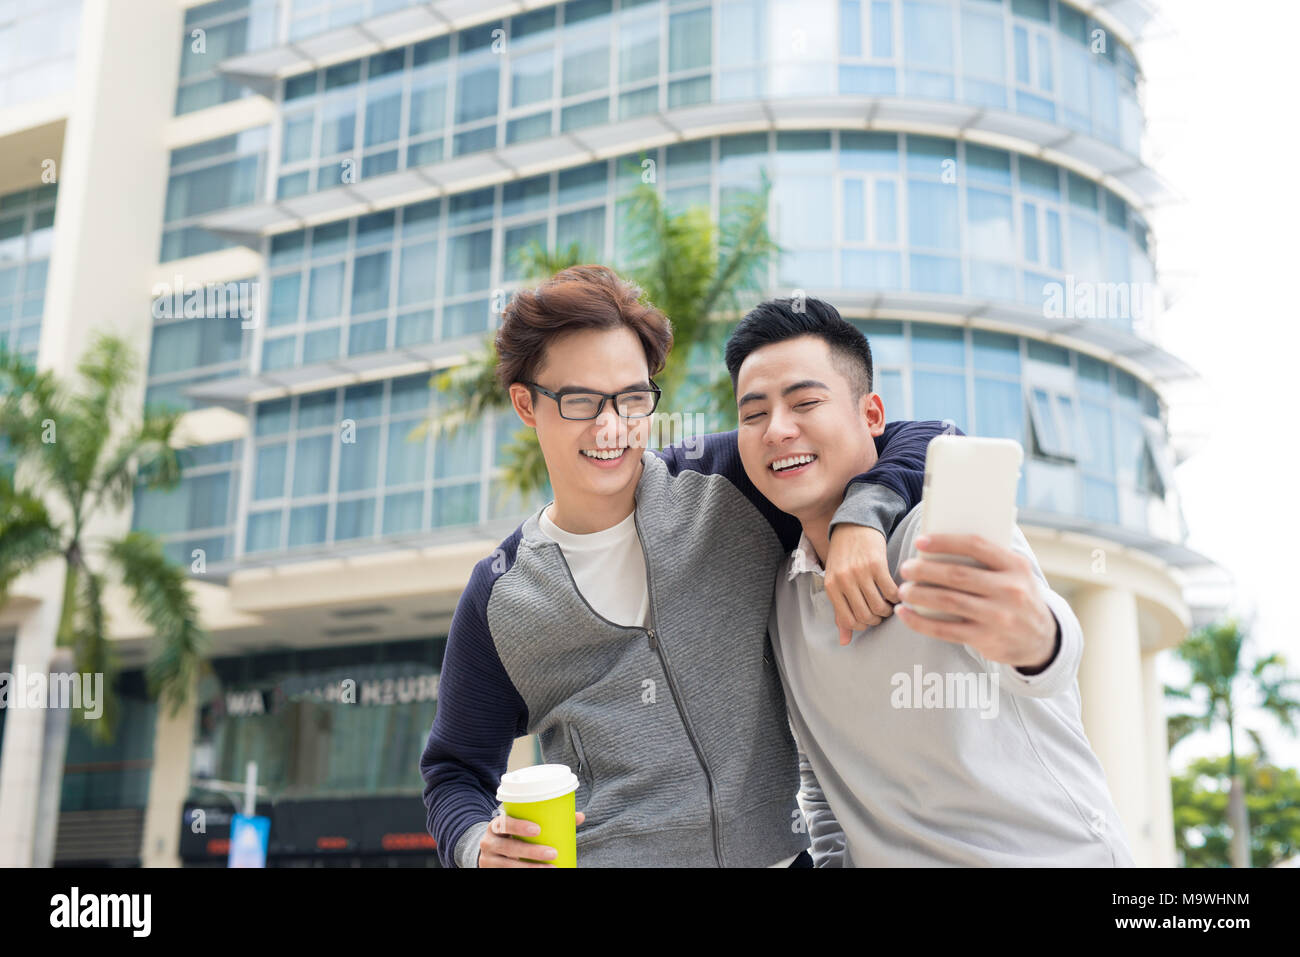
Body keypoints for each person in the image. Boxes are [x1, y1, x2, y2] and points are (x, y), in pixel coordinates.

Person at [420, 265, 949, 867]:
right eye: (580, 401)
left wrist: (863, 515)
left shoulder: (727, 487)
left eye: (632, 398)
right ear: (526, 404)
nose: (611, 426)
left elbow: (928, 436)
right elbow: (454, 771)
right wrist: (475, 849)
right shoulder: (502, 596)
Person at [727, 296, 1135, 866]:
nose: (777, 430)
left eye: (806, 403)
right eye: (752, 415)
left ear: (872, 417)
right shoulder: (782, 594)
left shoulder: (939, 530)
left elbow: (1047, 659)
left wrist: (1035, 638)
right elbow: (823, 786)